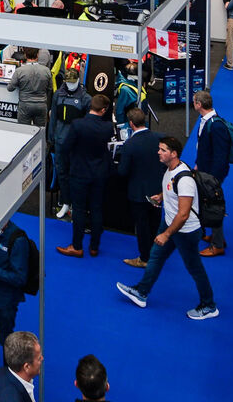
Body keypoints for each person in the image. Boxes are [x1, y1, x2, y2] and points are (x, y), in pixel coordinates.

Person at [115, 135, 218, 320]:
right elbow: (172, 189)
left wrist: (166, 234)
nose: (158, 152)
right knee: (156, 257)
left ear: (174, 154)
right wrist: (162, 196)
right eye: (159, 149)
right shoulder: (171, 169)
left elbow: (184, 214)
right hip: (171, 224)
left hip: (184, 231)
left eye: (163, 150)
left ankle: (209, 305)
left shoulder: (184, 180)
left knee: (194, 268)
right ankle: (142, 292)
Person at [56, 94, 114, 258]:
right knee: (96, 209)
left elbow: (65, 148)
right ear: (104, 110)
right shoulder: (108, 127)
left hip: (79, 173)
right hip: (99, 173)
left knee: (79, 210)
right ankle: (94, 247)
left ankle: (77, 246)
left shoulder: (77, 125)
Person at [117, 105, 164, 268]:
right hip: (158, 190)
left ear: (131, 123)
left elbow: (122, 171)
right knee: (155, 223)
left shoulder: (130, 144)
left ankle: (144, 258)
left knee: (142, 225)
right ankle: (156, 253)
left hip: (138, 193)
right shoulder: (160, 138)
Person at [191, 90, 233, 255]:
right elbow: (204, 147)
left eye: (194, 101)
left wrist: (212, 180)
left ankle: (217, 245)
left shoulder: (216, 126)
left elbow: (221, 156)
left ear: (199, 104)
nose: (192, 104)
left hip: (212, 175)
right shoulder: (207, 121)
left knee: (213, 206)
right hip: (205, 170)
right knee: (208, 204)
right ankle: (217, 237)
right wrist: (198, 164)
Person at [48, 69, 91, 218]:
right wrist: (51, 137)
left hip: (76, 143)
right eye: (68, 82)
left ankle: (76, 204)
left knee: (76, 174)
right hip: (60, 141)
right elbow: (53, 116)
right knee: (61, 172)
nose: (71, 85)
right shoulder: (58, 95)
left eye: (73, 82)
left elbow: (88, 123)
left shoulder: (85, 98)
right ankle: (66, 201)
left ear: (78, 80)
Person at [0, 225, 32, 343]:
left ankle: (8, 356)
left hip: (6, 301)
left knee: (6, 339)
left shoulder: (18, 240)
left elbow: (20, 278)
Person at [0, 331, 42, 402]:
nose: (42, 358)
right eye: (39, 358)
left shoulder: (2, 372)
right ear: (27, 367)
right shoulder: (11, 398)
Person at [8, 49, 51, 127]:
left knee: (23, 130)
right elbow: (50, 88)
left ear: (25, 55)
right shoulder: (46, 70)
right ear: (37, 55)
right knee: (40, 130)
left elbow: (10, 88)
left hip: (25, 105)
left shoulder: (19, 71)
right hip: (41, 105)